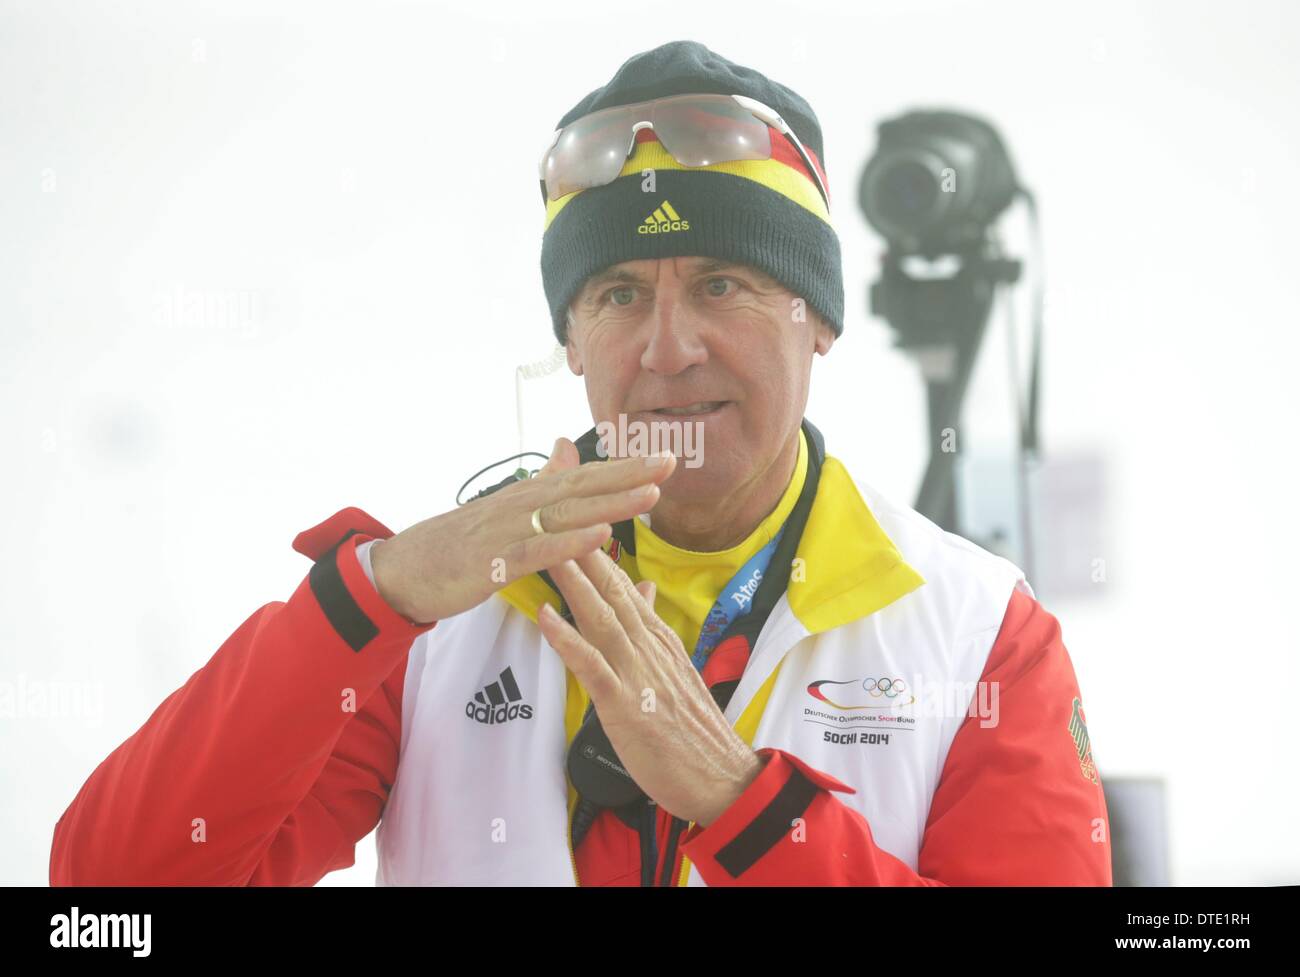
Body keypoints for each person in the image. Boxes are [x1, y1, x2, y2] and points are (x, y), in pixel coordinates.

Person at [49, 39, 1111, 886]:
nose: (667, 349)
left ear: (816, 320)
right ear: (569, 342)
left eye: (722, 285)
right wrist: (370, 595)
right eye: (617, 296)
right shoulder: (433, 622)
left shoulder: (975, 629)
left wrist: (740, 805)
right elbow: (110, 890)